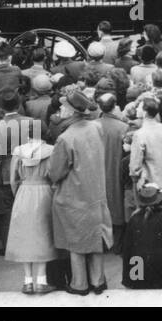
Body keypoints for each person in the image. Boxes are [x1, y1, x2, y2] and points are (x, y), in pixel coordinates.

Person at [48, 90, 114, 296]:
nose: (61, 110)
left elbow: (55, 173)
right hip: (96, 192)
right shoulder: (96, 128)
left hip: (73, 196)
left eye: (63, 107)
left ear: (71, 111)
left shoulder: (65, 138)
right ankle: (98, 280)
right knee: (96, 238)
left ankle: (80, 284)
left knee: (75, 243)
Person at [4, 130, 56, 295]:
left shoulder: (19, 151)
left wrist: (18, 193)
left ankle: (27, 281)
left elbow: (13, 180)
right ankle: (42, 280)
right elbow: (54, 176)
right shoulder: (51, 150)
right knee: (43, 235)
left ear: (28, 135)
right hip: (44, 191)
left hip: (24, 191)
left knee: (25, 237)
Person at [119, 185, 162, 290]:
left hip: (138, 272)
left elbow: (127, 250)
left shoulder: (133, 219)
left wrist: (127, 280)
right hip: (161, 270)